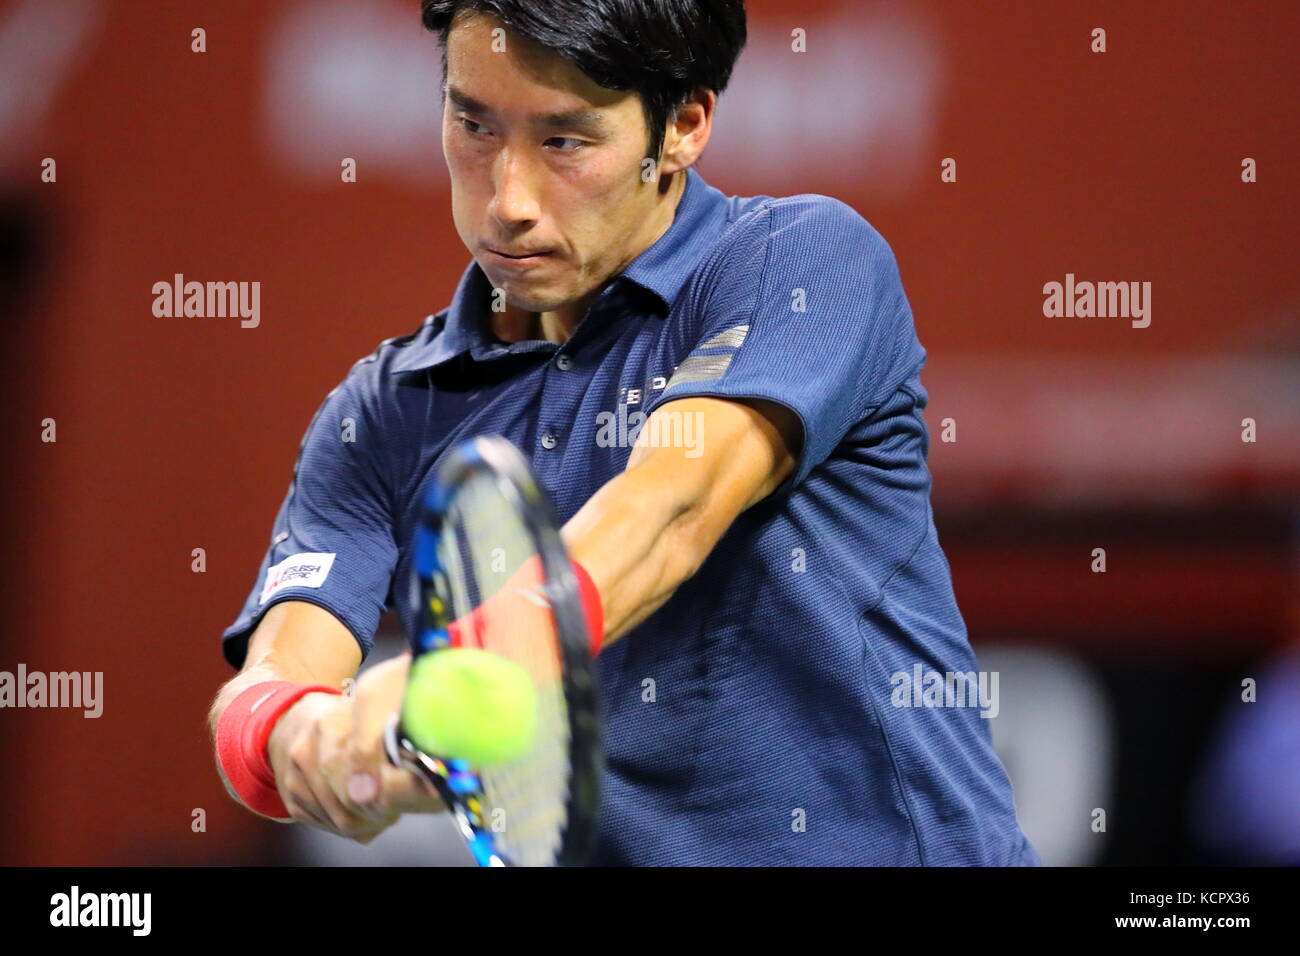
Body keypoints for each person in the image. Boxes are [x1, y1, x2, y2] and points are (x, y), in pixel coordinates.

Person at [209, 0, 1040, 866]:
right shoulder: (384, 409)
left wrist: (459, 679)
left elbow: (664, 515)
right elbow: (268, 683)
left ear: (683, 126)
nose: (509, 201)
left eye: (566, 141)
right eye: (473, 123)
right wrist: (301, 736)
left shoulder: (802, 263)